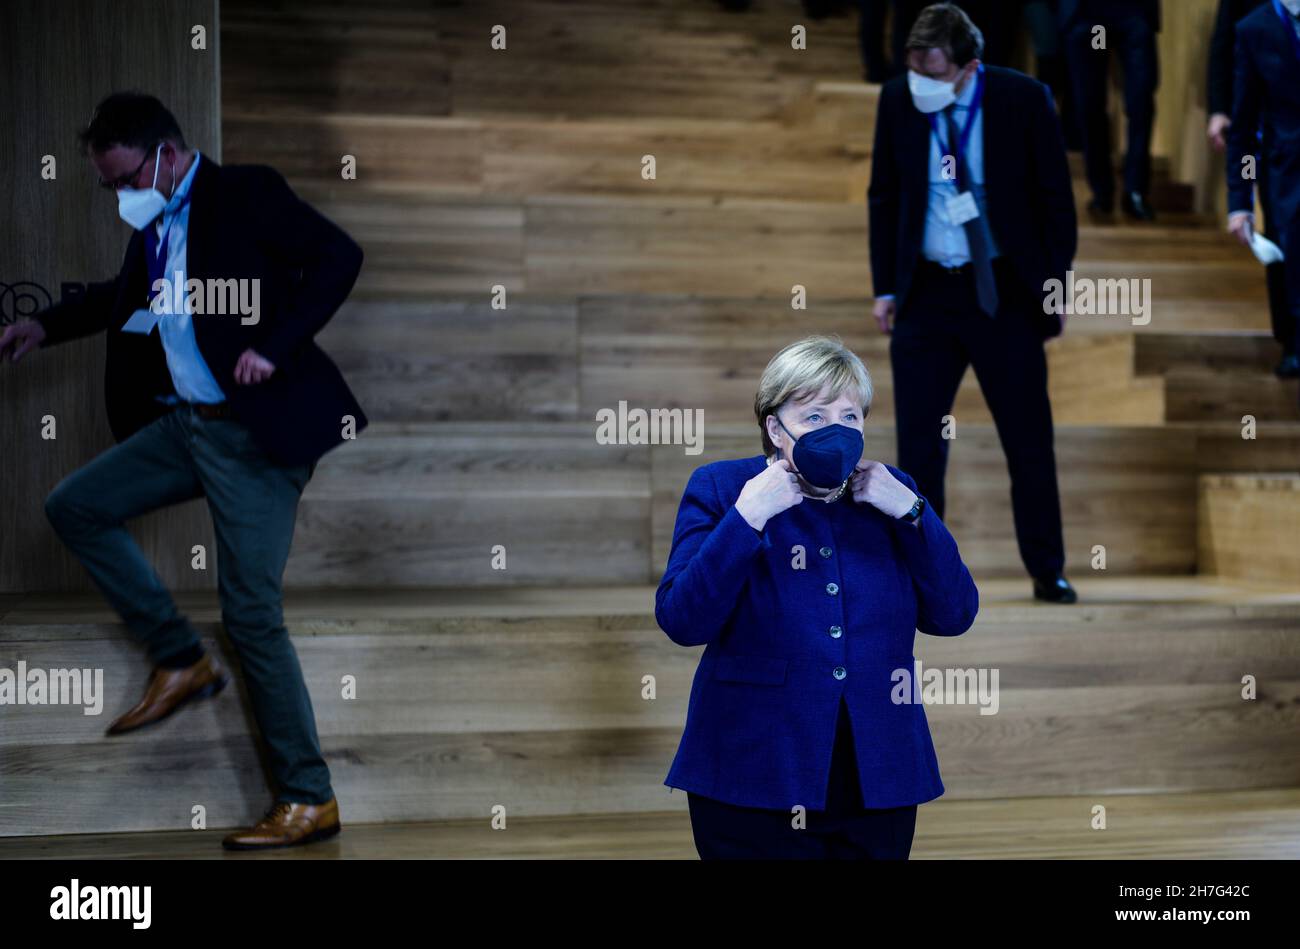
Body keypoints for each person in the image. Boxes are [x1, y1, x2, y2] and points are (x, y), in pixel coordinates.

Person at [0, 91, 366, 850]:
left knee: (252, 615)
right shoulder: (159, 223)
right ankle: (178, 657)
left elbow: (339, 256)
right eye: (109, 185)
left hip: (254, 438)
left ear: (166, 155)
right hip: (188, 425)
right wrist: (43, 323)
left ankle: (308, 797)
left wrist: (279, 345)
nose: (118, 195)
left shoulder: (245, 194)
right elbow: (118, 299)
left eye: (124, 179)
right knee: (76, 505)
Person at [656, 335, 979, 859]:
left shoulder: (893, 491)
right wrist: (748, 518)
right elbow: (682, 620)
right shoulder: (722, 488)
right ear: (774, 427)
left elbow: (955, 614)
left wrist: (915, 512)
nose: (836, 430)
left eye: (850, 417)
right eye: (814, 415)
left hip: (877, 770)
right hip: (754, 766)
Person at [868, 3, 1079, 603]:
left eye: (932, 73)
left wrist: (1053, 285)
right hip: (927, 292)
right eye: (914, 69)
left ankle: (1047, 568)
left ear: (969, 67)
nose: (920, 84)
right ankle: (918, 578)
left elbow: (1055, 203)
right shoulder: (896, 100)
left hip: (1002, 292)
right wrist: (886, 285)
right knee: (920, 447)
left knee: (1028, 439)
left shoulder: (1024, 98)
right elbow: (883, 196)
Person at [1209, 0, 1297, 378]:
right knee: (1287, 254)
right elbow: (1243, 128)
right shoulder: (1253, 29)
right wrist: (1239, 202)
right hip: (1284, 168)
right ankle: (1293, 341)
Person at [1061, 0, 1161, 221]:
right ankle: (1101, 190)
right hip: (1090, 18)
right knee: (1091, 105)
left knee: (1141, 101)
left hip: (1133, 14)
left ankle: (1135, 190)